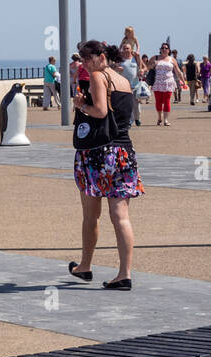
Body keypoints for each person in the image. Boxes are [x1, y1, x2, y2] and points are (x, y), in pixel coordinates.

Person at [69, 40, 141, 290]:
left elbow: (99, 111)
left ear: (101, 56)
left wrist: (81, 105)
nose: (85, 63)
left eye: (88, 58)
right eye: (82, 59)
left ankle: (86, 265)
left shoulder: (99, 77)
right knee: (121, 216)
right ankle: (124, 273)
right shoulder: (123, 81)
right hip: (123, 152)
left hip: (99, 153)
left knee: (91, 214)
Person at [151, 43, 184, 126]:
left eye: (166, 48)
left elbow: (178, 71)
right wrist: (153, 64)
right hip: (157, 82)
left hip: (168, 83)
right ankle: (159, 117)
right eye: (162, 48)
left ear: (169, 50)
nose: (164, 49)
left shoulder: (172, 59)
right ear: (160, 49)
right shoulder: (155, 57)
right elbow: (147, 67)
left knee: (167, 101)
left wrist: (183, 81)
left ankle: (165, 120)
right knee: (158, 101)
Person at [114, 42, 144, 127]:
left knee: (136, 105)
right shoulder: (120, 59)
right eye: (124, 48)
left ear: (131, 49)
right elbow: (115, 67)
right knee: (127, 104)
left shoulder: (135, 58)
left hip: (135, 85)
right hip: (124, 86)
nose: (126, 50)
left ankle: (137, 118)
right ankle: (129, 121)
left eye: (128, 48)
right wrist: (117, 68)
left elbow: (142, 67)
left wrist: (141, 71)